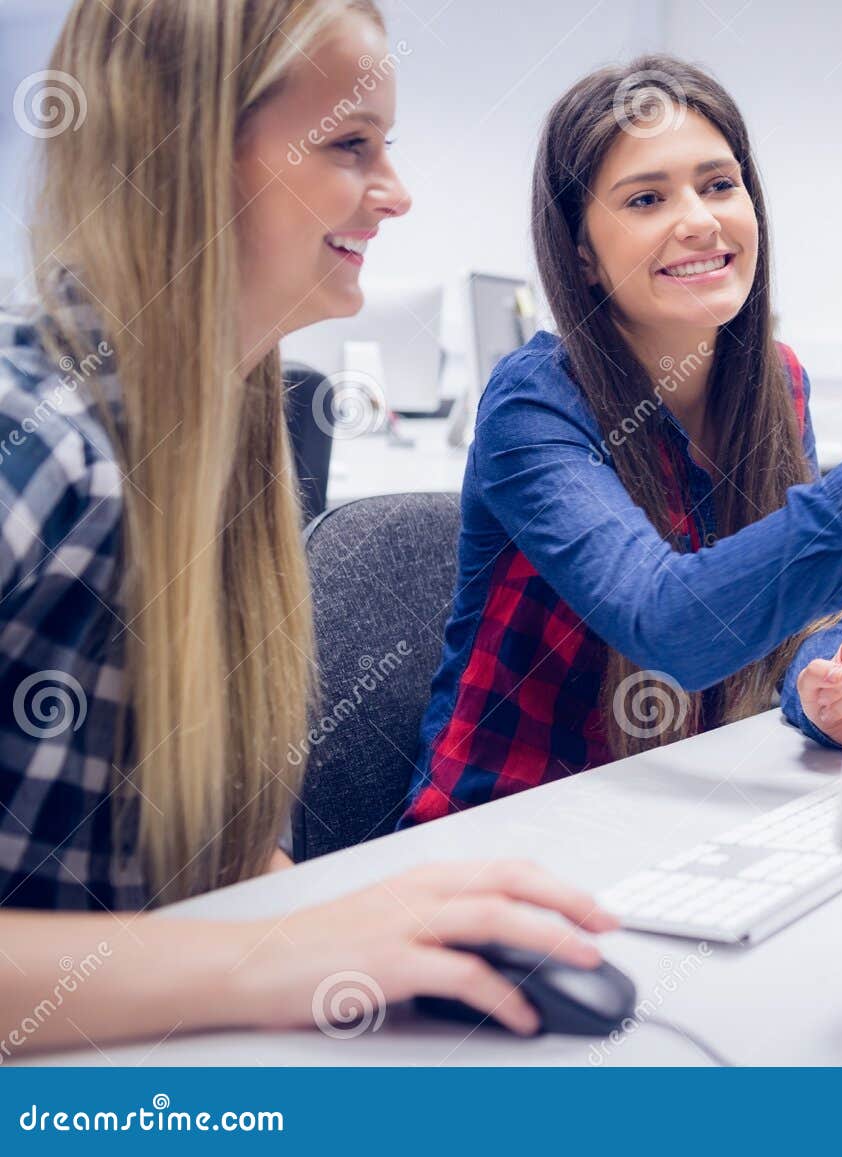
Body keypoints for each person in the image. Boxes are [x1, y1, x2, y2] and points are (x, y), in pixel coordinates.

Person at [0, 0, 612, 1056]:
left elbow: (203, 861)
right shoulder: (37, 439)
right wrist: (268, 958)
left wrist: (359, 925)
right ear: (179, 150)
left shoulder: (228, 439)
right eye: (348, 146)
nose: (397, 192)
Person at [401, 56, 842, 826]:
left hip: (678, 812)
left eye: (719, 185)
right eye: (647, 198)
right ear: (580, 250)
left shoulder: (779, 384)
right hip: (501, 834)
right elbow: (667, 623)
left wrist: (828, 687)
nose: (700, 220)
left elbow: (806, 618)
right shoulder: (535, 400)